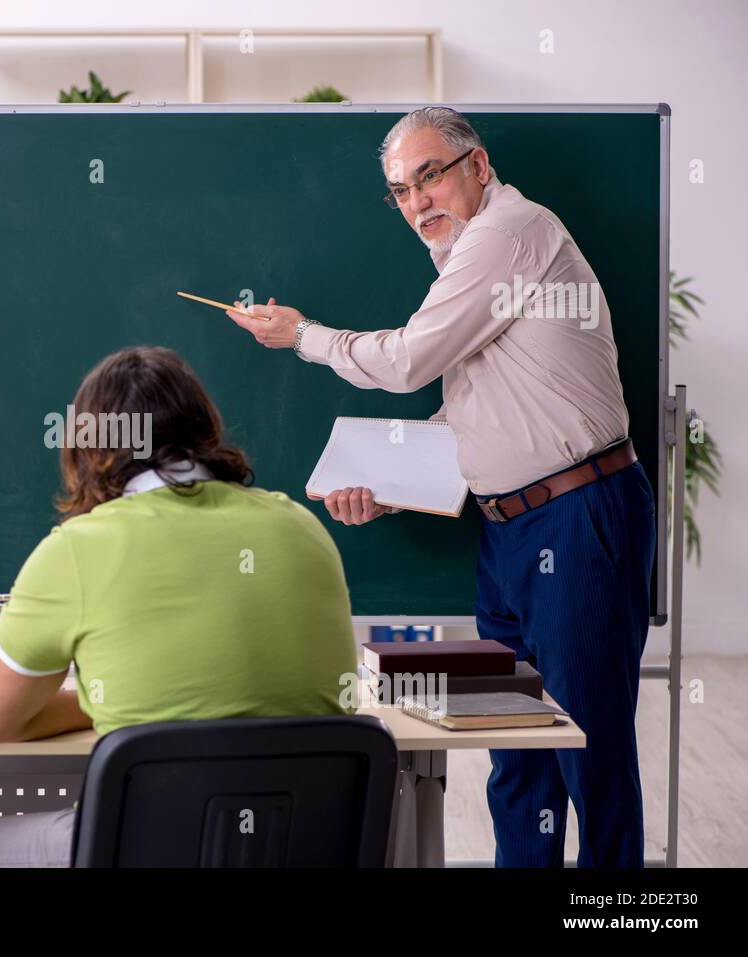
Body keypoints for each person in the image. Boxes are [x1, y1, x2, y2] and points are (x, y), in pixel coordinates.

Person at [225, 106, 656, 867]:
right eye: (401, 190)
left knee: (589, 747)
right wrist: (390, 485)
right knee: (512, 750)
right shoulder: (470, 256)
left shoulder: (507, 233)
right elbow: (470, 411)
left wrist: (302, 336)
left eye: (430, 176)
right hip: (509, 531)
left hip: (578, 516)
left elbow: (407, 362)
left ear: (478, 166)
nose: (418, 201)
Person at [0, 345, 357, 867]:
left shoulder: (79, 548)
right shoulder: (303, 528)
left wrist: (113, 698)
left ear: (89, 445)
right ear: (204, 428)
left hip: (141, 850)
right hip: (301, 847)